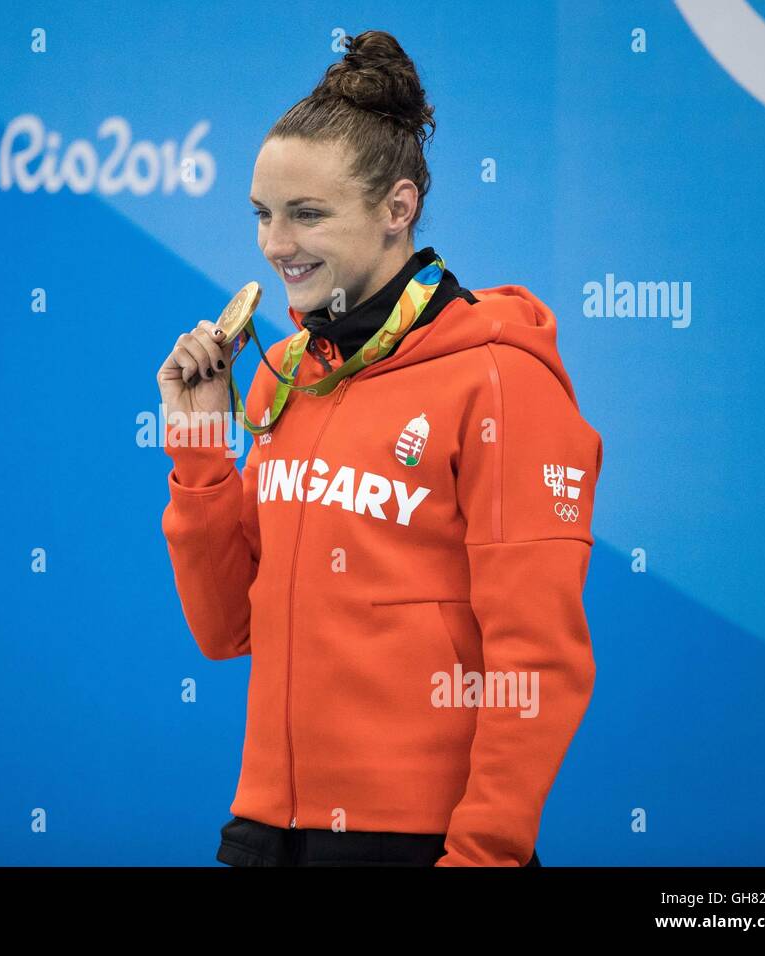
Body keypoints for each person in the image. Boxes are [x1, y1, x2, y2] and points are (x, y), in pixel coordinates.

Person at [156, 30, 602, 867]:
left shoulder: (500, 380)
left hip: (419, 842)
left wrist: (484, 855)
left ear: (398, 208)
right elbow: (225, 629)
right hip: (262, 829)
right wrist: (200, 447)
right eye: (262, 213)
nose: (274, 245)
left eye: (307, 213)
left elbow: (536, 660)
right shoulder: (282, 375)